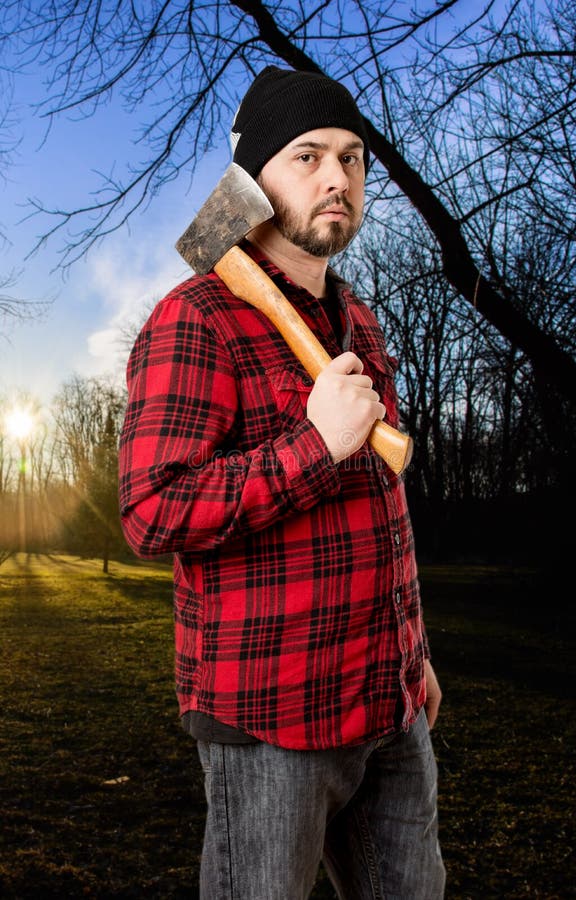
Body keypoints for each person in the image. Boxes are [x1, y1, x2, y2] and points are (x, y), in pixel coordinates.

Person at [119, 66, 445, 900]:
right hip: (271, 719)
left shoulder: (358, 320)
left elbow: (381, 504)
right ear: (252, 183)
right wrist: (313, 448)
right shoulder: (195, 318)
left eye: (352, 157)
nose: (338, 177)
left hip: (389, 706)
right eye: (308, 156)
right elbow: (152, 511)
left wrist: (414, 656)